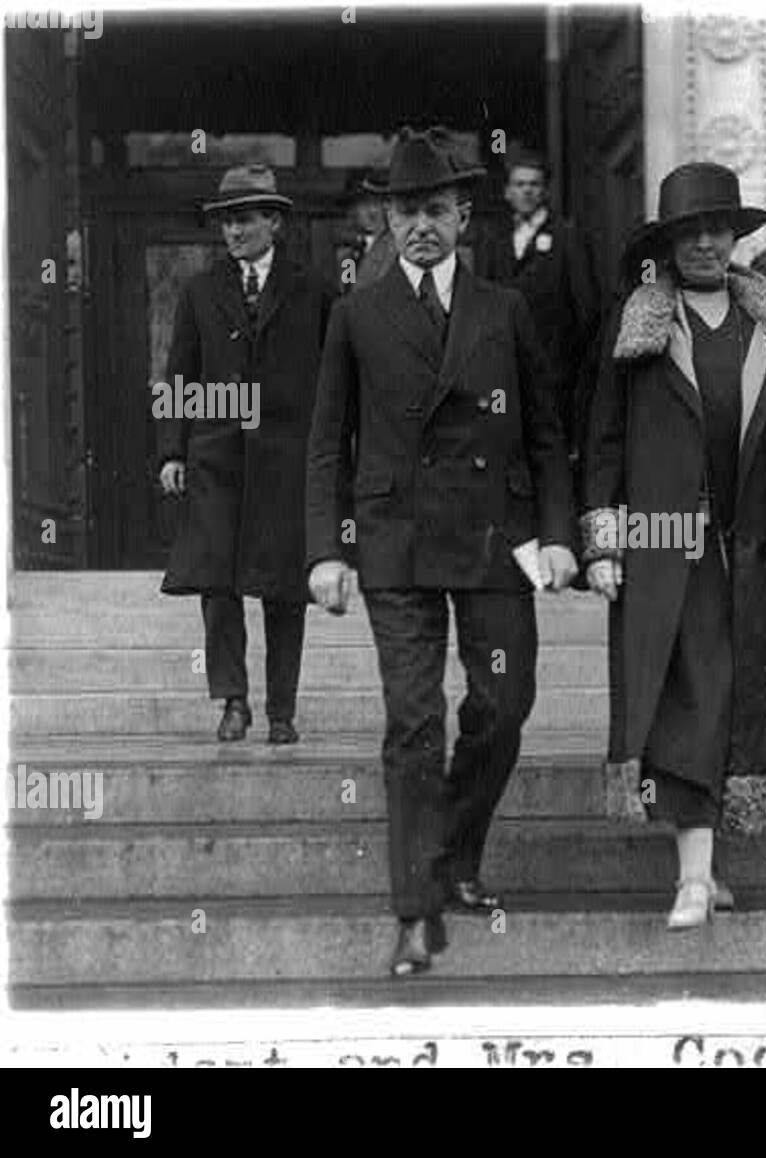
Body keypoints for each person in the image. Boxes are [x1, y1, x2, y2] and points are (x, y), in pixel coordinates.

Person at [304, 127, 576, 976]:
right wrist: (325, 550)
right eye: (404, 211)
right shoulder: (356, 315)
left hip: (497, 537)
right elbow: (325, 444)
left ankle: (455, 850)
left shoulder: (506, 309)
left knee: (503, 705)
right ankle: (416, 910)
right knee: (414, 723)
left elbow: (544, 436)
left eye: (435, 210)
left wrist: (560, 535)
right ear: (384, 221)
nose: (420, 225)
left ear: (463, 215)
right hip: (395, 543)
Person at [583, 161, 766, 930]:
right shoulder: (637, 327)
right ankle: (692, 879)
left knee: (739, 702)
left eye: (717, 229)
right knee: (688, 699)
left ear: (736, 238)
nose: (704, 242)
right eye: (689, 231)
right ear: (666, 244)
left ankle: (711, 866)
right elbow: (603, 439)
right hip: (670, 550)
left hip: (756, 549)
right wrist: (604, 538)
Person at [157, 165, 336, 745]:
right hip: (217, 458)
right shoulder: (200, 291)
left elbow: (335, 380)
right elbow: (178, 375)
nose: (233, 232)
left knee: (286, 589)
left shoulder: (314, 291)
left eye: (245, 219)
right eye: (226, 222)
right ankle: (233, 701)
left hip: (287, 460)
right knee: (217, 585)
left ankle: (282, 710)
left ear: (274, 223)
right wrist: (172, 452)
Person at [477, 146, 602, 459]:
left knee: (551, 454)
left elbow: (586, 308)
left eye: (534, 185)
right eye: (519, 185)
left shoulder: (566, 236)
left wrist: (569, 362)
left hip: (555, 373)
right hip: (505, 368)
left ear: (544, 190)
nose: (527, 191)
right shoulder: (494, 240)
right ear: (507, 192)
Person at [344, 168, 397, 290]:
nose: (373, 210)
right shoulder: (350, 254)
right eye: (365, 204)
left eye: (377, 203)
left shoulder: (394, 247)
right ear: (353, 210)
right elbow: (347, 291)